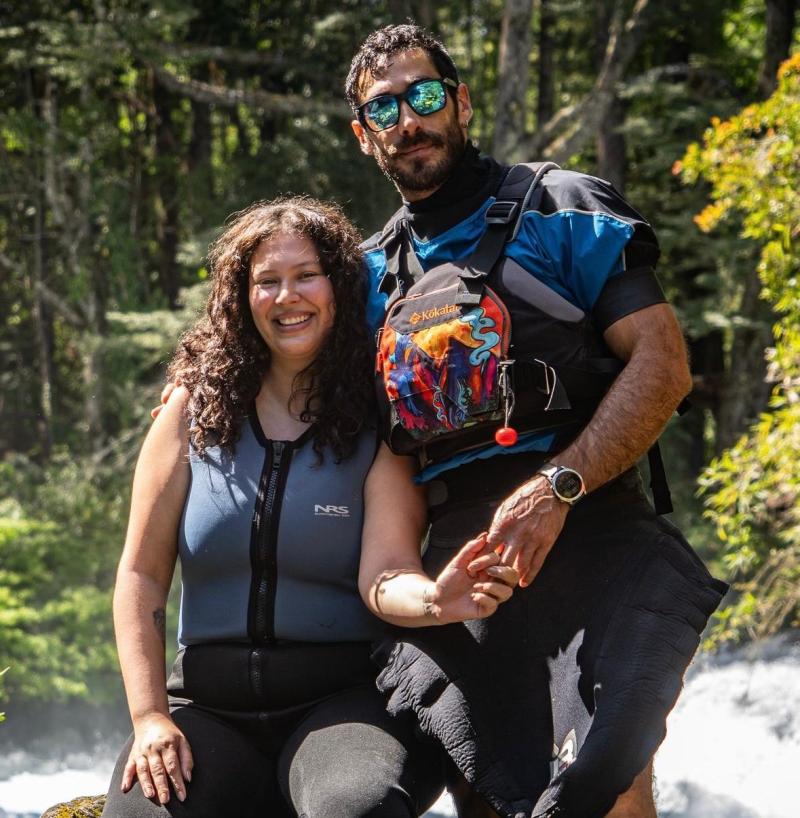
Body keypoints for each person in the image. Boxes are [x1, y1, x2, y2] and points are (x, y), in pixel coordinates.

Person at [343, 24, 728, 818]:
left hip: (593, 528)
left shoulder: (562, 206)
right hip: (462, 570)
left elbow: (663, 365)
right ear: (364, 134)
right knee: (494, 795)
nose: (408, 120)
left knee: (607, 784)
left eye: (423, 96)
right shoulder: (370, 278)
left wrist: (557, 487)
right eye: (385, 108)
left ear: (461, 102)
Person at [105, 197, 520, 818]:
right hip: (208, 709)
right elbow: (140, 576)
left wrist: (437, 599)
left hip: (345, 706)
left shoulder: (378, 424)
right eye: (266, 281)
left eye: (306, 276)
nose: (286, 296)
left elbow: (384, 574)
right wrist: (149, 717)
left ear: (339, 287)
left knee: (361, 809)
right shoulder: (189, 415)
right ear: (240, 300)